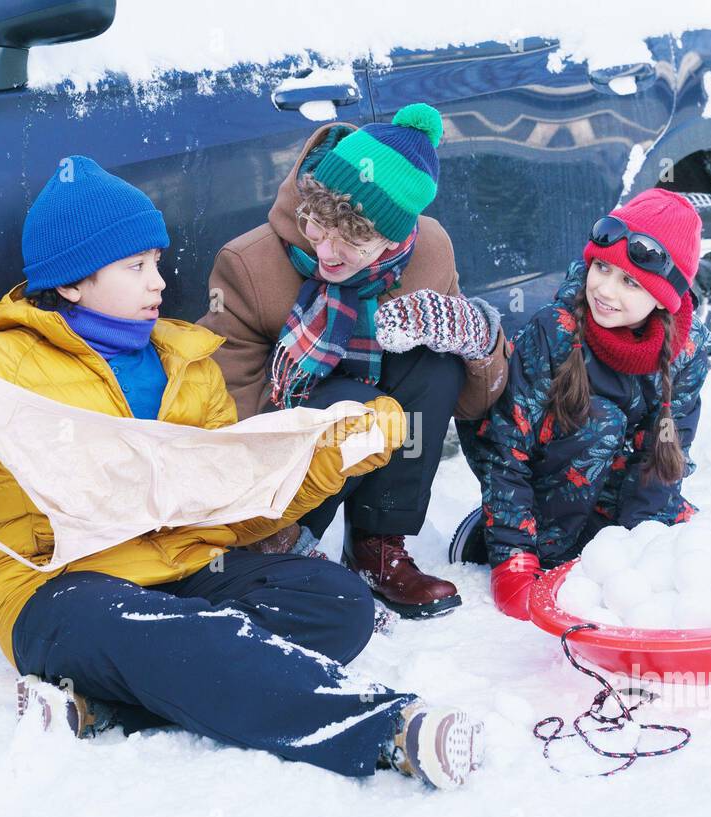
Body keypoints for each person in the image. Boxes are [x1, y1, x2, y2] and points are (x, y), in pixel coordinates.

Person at [0, 155, 483, 788]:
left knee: (337, 602)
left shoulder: (185, 364)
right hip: (66, 593)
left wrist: (327, 464)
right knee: (160, 632)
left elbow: (232, 511)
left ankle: (107, 707)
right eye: (136, 266)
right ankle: (383, 729)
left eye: (157, 263)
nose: (160, 284)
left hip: (190, 571)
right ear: (72, 282)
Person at [199, 103, 510, 619]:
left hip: (378, 429)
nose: (328, 251)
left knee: (433, 365)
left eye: (355, 237)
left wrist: (471, 333)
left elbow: (474, 403)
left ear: (396, 235)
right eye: (319, 226)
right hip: (286, 461)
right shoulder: (249, 263)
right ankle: (296, 544)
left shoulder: (430, 250)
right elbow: (224, 407)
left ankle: (376, 546)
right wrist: (270, 529)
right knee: (355, 404)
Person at [456, 188, 711, 620]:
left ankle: (604, 540)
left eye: (630, 282)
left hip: (611, 495)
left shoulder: (685, 351)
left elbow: (663, 457)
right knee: (602, 421)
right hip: (545, 485)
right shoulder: (554, 332)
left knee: (692, 549)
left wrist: (640, 551)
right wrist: (512, 554)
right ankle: (508, 534)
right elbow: (506, 450)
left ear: (664, 298)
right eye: (603, 268)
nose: (606, 290)